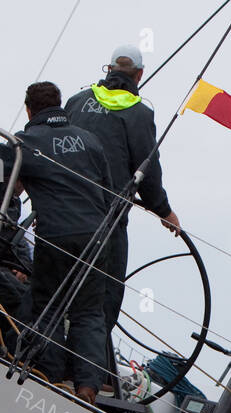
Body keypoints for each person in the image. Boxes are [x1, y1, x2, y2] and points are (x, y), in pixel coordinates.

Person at [65, 44, 180, 387]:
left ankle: (48, 357)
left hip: (59, 212)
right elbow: (148, 170)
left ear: (108, 69)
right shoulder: (140, 114)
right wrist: (164, 211)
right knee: (104, 297)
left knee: (55, 281)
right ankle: (92, 375)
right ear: (139, 75)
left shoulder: (76, 101)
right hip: (106, 220)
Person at [12, 81, 112, 403]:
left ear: (29, 109)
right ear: (60, 106)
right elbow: (108, 191)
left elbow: (8, 191)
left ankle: (51, 380)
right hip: (96, 238)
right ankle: (87, 388)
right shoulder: (91, 141)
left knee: (49, 307)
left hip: (55, 236)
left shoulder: (25, 143)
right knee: (89, 312)